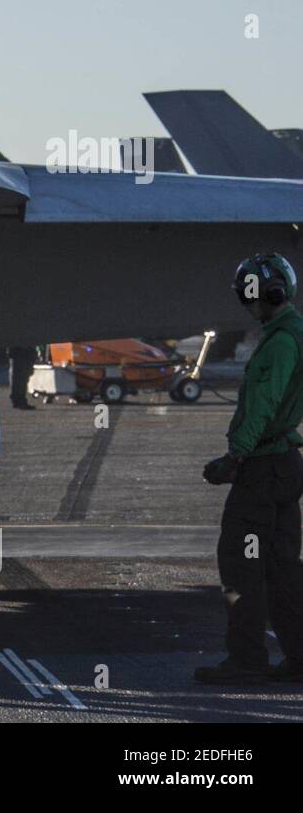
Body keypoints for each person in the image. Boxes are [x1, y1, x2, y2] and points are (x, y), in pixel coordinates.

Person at [196, 253, 303, 685]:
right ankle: (298, 658)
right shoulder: (294, 332)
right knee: (282, 567)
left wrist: (235, 457)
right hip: (287, 465)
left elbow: (263, 404)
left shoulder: (279, 343)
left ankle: (247, 660)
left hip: (262, 467)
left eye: (249, 297)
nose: (247, 305)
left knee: (242, 560)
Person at [7, 345, 37, 410]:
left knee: (18, 375)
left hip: (17, 350)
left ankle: (17, 399)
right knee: (21, 376)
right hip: (22, 350)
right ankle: (19, 399)